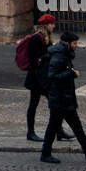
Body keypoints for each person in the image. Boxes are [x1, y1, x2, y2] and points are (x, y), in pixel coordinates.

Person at [40, 31, 86, 164]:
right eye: (75, 43)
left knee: (77, 126)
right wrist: (70, 73)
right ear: (67, 43)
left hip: (65, 98)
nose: (76, 46)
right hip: (59, 98)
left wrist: (70, 73)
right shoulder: (58, 56)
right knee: (53, 127)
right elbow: (53, 76)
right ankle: (45, 154)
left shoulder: (64, 54)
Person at [23, 13, 71, 144]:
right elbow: (34, 61)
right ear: (46, 25)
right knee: (34, 105)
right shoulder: (36, 39)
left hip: (44, 78)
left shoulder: (47, 38)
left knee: (55, 104)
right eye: (52, 24)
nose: (54, 26)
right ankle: (31, 132)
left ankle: (58, 131)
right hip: (37, 80)